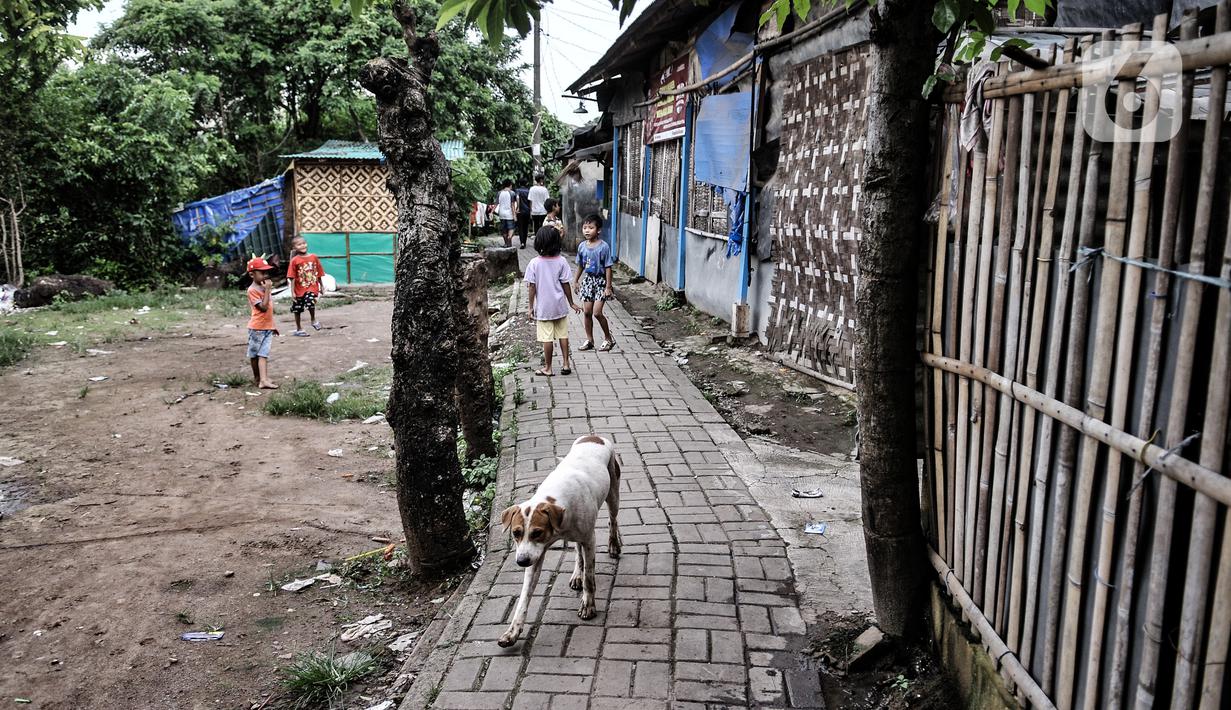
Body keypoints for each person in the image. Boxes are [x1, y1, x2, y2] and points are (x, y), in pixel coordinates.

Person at [524, 225, 581, 376]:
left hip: (543, 308)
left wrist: (530, 307)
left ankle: (548, 368)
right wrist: (571, 303)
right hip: (560, 306)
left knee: (546, 338)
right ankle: (566, 364)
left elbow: (531, 288)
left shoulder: (534, 263)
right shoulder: (562, 261)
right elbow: (566, 285)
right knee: (563, 335)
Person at [572, 214, 617, 352]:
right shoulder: (582, 247)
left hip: (601, 281)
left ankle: (608, 338)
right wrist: (575, 281)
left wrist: (608, 287)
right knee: (587, 312)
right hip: (588, 281)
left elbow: (608, 267)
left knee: (597, 313)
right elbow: (580, 265)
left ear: (598, 230)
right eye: (585, 227)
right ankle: (589, 340)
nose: (587, 230)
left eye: (591, 228)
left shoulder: (604, 247)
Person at [245, 256, 279, 389]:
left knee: (263, 354)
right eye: (262, 273)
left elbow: (269, 312)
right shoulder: (252, 290)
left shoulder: (263, 287)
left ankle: (262, 379)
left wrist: (272, 326)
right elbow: (263, 308)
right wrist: (268, 290)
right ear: (252, 274)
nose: (266, 275)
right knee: (255, 355)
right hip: (257, 328)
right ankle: (259, 378)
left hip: (266, 327)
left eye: (267, 272)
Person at [286, 236, 325, 336]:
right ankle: (299, 329)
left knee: (310, 301)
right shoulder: (294, 260)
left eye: (304, 243)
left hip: (312, 286)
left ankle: (313, 319)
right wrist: (292, 292)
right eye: (299, 244)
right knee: (297, 308)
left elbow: (319, 272)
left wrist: (322, 286)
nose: (302, 245)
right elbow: (292, 277)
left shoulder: (313, 257)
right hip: (299, 289)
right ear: (294, 247)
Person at [496, 179, 517, 247]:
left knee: (504, 229)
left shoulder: (499, 193)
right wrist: (514, 215)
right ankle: (509, 238)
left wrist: (491, 212)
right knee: (511, 228)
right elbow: (512, 205)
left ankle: (506, 243)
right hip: (509, 214)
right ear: (510, 185)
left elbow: (496, 204)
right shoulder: (512, 193)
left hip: (501, 214)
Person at [515, 181, 532, 249]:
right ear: (526, 184)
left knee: (520, 227)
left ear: (519, 184)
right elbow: (530, 201)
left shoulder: (517, 190)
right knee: (525, 227)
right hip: (527, 211)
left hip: (520, 211)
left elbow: (517, 198)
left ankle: (522, 243)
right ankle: (524, 242)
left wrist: (518, 207)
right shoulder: (528, 191)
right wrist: (531, 211)